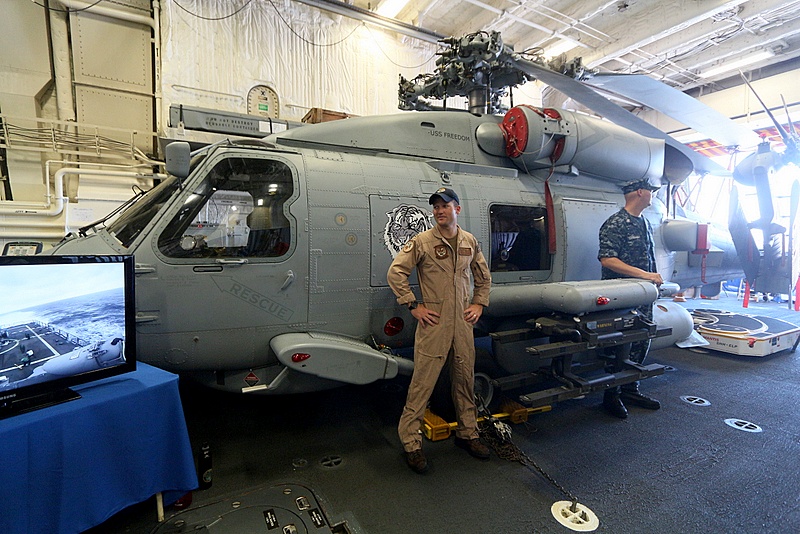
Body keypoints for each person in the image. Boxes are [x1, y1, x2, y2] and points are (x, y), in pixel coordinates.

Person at [387, 187, 492, 473]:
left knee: (464, 379)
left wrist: (479, 305)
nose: (439, 211)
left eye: (444, 206)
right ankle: (411, 443)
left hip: (463, 323)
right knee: (423, 383)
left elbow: (483, 278)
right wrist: (413, 306)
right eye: (435, 207)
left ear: (457, 209)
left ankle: (468, 434)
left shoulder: (469, 241)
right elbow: (396, 272)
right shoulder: (422, 242)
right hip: (434, 322)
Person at [597, 178, 663, 419]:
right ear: (639, 192)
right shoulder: (616, 223)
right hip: (622, 298)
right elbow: (608, 260)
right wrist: (646, 275)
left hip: (643, 295)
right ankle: (611, 394)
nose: (653, 195)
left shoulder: (643, 222)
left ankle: (630, 388)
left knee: (641, 341)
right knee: (619, 344)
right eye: (651, 191)